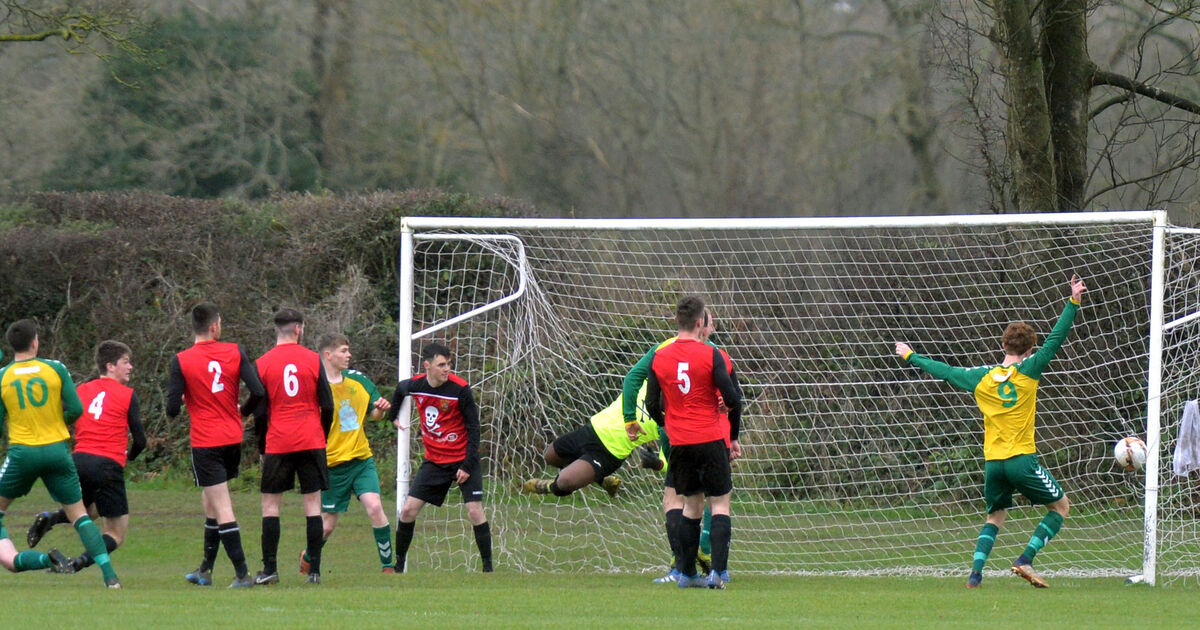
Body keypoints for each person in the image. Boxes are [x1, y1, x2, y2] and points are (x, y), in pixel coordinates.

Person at [894, 274, 1086, 589]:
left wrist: (910, 355)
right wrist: (1073, 301)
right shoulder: (1030, 369)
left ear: (1003, 344)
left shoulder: (980, 377)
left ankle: (975, 575)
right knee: (1061, 506)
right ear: (1029, 349)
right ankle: (1025, 559)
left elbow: (944, 371)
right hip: (1021, 460)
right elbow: (1057, 338)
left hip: (993, 463)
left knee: (995, 517)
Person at [623, 308, 741, 584]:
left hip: (679, 440)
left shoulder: (660, 355)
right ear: (702, 324)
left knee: (687, 505)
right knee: (720, 503)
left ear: (677, 321)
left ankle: (684, 572)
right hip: (712, 438)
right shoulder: (714, 354)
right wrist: (730, 414)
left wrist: (665, 422)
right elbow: (735, 395)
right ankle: (717, 572)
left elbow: (649, 400)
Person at [0, 319, 121, 587]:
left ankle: (40, 560)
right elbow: (77, 409)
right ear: (35, 342)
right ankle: (110, 577)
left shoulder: (3, 376)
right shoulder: (55, 368)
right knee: (79, 514)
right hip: (57, 450)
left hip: (23, 452)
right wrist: (58, 420)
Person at [26, 340, 147, 574]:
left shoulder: (81, 390)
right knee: (116, 533)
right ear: (110, 366)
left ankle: (50, 518)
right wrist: (129, 456)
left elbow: (59, 419)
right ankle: (77, 563)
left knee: (89, 512)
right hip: (107, 465)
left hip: (78, 461)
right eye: (125, 362)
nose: (130, 367)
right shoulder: (127, 395)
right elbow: (140, 441)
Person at [166, 302, 265, 588]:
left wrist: (185, 400)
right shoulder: (234, 351)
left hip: (206, 441)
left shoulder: (182, 360)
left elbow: (172, 409)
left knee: (221, 505)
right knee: (210, 500)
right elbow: (257, 391)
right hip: (232, 438)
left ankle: (242, 573)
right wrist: (242, 412)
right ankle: (205, 570)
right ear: (214, 327)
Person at [387, 342, 492, 573]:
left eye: (449, 364)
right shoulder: (417, 385)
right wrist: (392, 415)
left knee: (474, 510)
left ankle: (488, 569)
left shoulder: (460, 389)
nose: (447, 369)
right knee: (407, 511)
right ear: (427, 366)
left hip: (464, 459)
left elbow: (474, 428)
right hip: (434, 461)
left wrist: (466, 464)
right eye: (441, 364)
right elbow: (400, 389)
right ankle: (398, 566)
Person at [297, 332, 394, 575]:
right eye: (343, 351)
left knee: (374, 506)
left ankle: (388, 567)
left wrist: (380, 410)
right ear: (327, 355)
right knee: (327, 526)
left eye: (348, 350)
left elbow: (374, 414)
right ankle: (309, 556)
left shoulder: (358, 381)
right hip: (331, 465)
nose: (348, 355)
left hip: (361, 460)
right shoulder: (314, 387)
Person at [251, 308, 334, 585]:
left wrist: (262, 445)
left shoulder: (262, 363)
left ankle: (270, 569)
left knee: (271, 504)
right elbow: (328, 405)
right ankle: (315, 571)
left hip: (279, 440)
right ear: (298, 329)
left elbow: (260, 413)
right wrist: (321, 435)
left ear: (278, 330)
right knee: (312, 503)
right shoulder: (313, 359)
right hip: (311, 440)